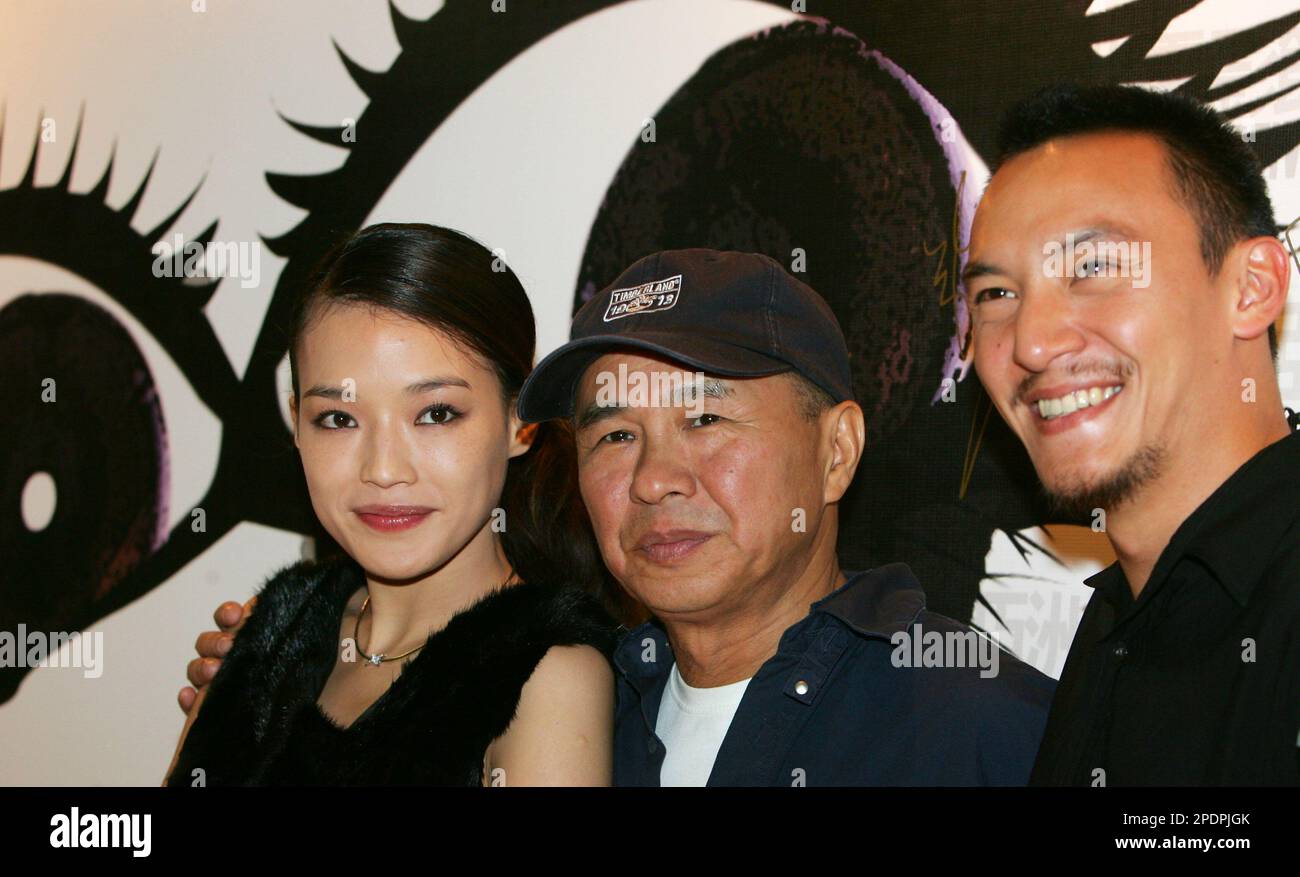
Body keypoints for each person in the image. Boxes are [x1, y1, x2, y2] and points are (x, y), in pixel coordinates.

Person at [186, 248, 1054, 785]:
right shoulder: (587, 693)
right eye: (614, 433)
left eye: (705, 419)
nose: (654, 479)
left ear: (835, 451)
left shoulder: (986, 725)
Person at [166, 223, 618, 787]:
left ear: (519, 422)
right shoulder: (273, 628)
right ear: (297, 425)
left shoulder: (548, 677)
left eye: (435, 414)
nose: (383, 469)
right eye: (339, 419)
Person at [963, 83, 1300, 785]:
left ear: (1251, 286)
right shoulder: (1114, 621)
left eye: (1093, 267)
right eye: (995, 293)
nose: (1030, 340)